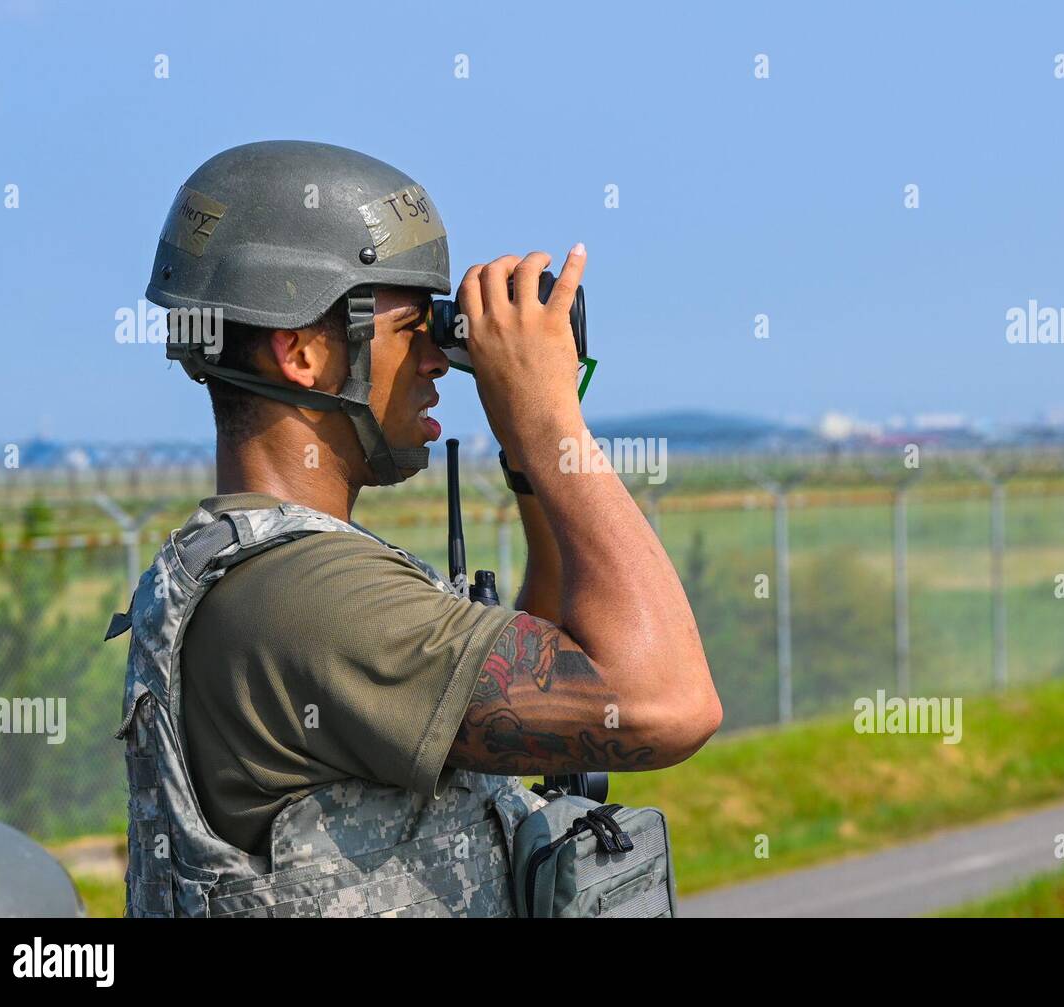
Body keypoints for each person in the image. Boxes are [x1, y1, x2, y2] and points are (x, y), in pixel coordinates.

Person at [112, 140, 721, 917]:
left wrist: (527, 448)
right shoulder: (305, 598)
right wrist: (547, 417)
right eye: (415, 327)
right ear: (300, 351)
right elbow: (665, 703)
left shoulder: (263, 576)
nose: (440, 359)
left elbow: (552, 681)